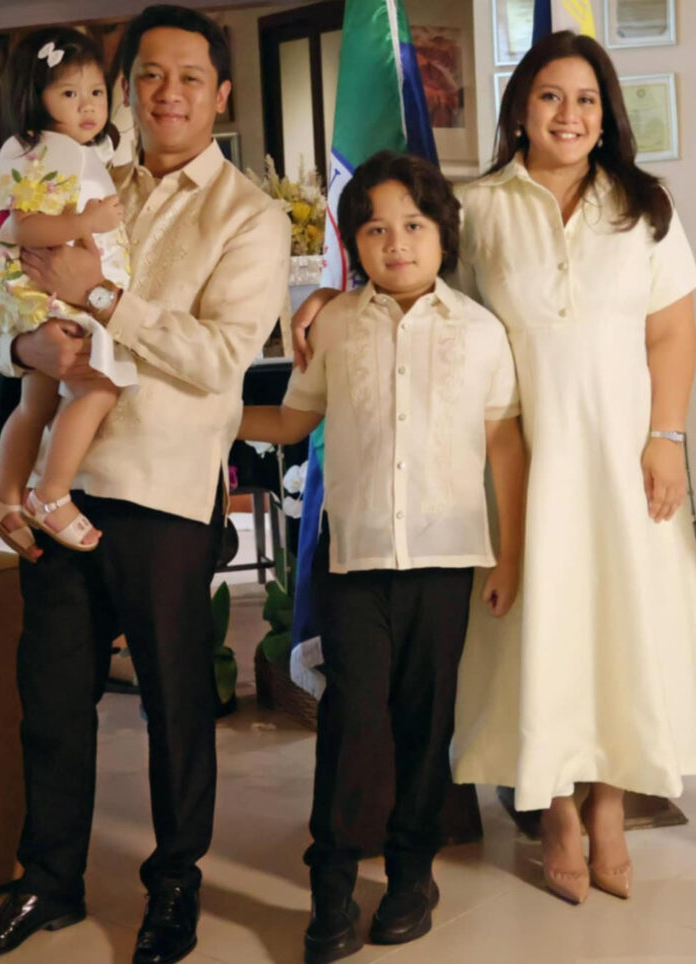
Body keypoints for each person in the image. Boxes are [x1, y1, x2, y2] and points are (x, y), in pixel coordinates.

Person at [293, 32, 696, 906]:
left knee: (623, 629)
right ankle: (554, 807)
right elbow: (406, 276)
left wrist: (668, 438)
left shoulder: (644, 206)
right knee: (541, 633)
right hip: (526, 457)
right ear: (521, 109)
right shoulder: (478, 206)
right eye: (551, 97)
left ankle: (611, 805)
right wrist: (331, 296)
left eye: (587, 99)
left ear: (607, 118)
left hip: (628, 455)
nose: (569, 114)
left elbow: (672, 332)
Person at [0, 6, 290, 964]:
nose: (168, 93)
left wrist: (101, 296)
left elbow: (220, 357)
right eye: (149, 76)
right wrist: (20, 337)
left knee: (176, 706)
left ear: (221, 95)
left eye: (189, 76)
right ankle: (46, 883)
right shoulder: (81, 173)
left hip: (167, 494)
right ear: (127, 90)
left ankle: (174, 885)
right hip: (67, 488)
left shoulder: (250, 217)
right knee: (51, 696)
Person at [241, 150, 525, 964]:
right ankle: (330, 882)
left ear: (442, 235)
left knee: (422, 721)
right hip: (353, 558)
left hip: (444, 560)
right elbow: (294, 424)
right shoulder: (331, 324)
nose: (395, 243)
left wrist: (512, 559)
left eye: (412, 225)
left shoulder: (479, 333)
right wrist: (207, 418)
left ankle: (411, 872)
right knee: (351, 720)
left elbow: (504, 447)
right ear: (352, 243)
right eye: (374, 228)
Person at [0, 26, 135, 559]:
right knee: (99, 387)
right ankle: (51, 495)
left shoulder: (34, 148)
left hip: (31, 291)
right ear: (34, 98)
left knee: (35, 401)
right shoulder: (54, 151)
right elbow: (17, 227)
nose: (88, 106)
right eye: (69, 94)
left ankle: (8, 495)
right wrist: (89, 217)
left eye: (96, 93)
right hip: (50, 292)